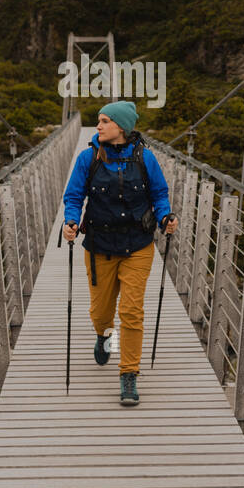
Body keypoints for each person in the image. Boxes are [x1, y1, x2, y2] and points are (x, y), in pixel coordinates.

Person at [62, 100, 177, 406]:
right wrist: (71, 220)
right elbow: (73, 196)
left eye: (103, 121)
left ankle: (129, 374)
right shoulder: (89, 158)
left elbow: (159, 194)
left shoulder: (146, 158)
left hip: (138, 245)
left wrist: (165, 217)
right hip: (99, 245)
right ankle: (103, 335)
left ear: (121, 127)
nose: (97, 126)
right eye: (98, 121)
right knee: (101, 312)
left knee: (131, 310)